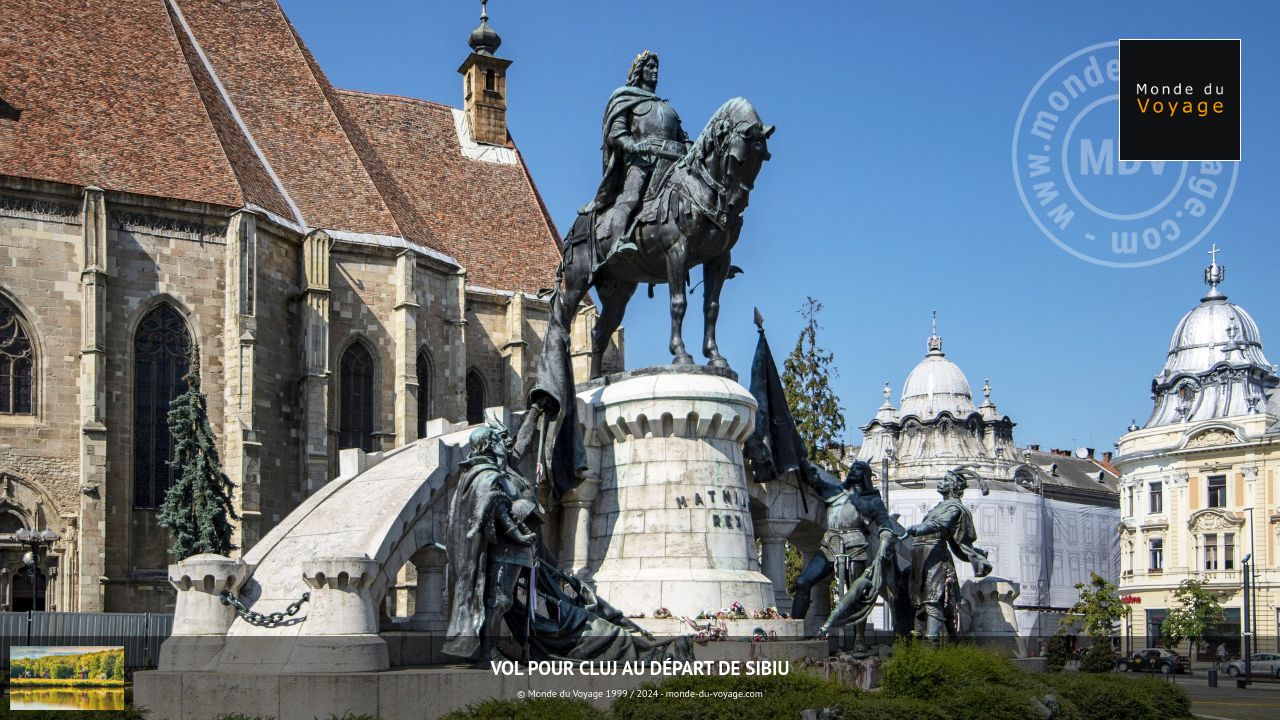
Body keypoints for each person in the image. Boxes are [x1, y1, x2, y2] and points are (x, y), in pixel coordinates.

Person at [443, 417, 543, 666]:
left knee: (498, 600)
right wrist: (518, 530)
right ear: (489, 443)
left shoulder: (477, 472)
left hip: (506, 547)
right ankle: (488, 652)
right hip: (506, 547)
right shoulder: (486, 474)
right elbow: (495, 505)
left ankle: (489, 650)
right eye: (498, 439)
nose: (503, 443)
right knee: (499, 600)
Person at [582, 50, 692, 265]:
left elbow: (683, 137)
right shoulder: (627, 100)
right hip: (642, 161)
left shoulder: (667, 108)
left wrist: (693, 150)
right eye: (650, 67)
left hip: (674, 163)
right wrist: (633, 145)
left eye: (656, 68)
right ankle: (617, 243)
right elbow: (617, 131)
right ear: (640, 72)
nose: (655, 71)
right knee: (630, 197)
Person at [791, 460, 896, 650]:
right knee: (802, 582)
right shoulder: (833, 491)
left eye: (858, 469)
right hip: (829, 545)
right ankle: (792, 630)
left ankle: (859, 640)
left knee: (856, 594)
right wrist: (797, 457)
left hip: (855, 548)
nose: (853, 471)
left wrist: (885, 539)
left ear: (865, 475)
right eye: (852, 468)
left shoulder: (872, 500)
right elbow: (813, 478)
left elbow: (884, 524)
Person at [899, 466, 993, 643]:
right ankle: (930, 642)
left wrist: (916, 528)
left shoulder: (955, 508)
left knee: (933, 601)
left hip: (935, 557)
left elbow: (941, 525)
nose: (940, 483)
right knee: (918, 600)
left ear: (952, 487)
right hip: (921, 556)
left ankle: (932, 646)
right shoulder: (940, 506)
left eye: (944, 481)